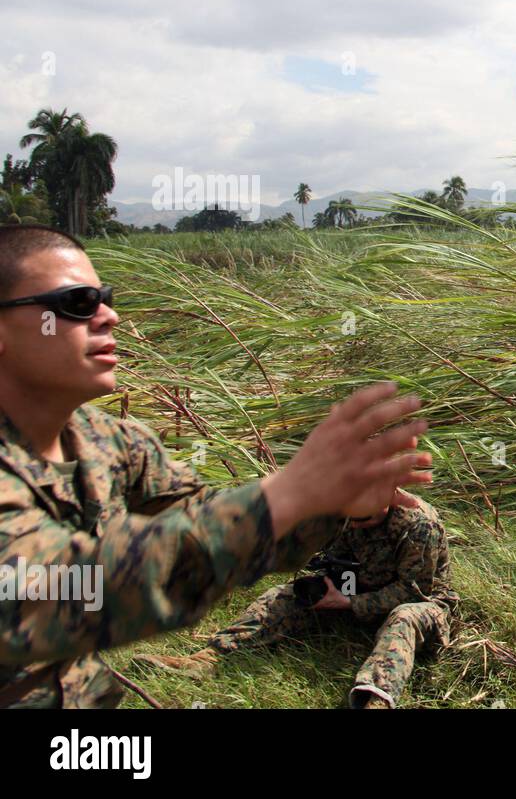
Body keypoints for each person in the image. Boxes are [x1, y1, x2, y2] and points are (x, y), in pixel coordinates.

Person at [0, 225, 431, 708]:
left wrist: (332, 503)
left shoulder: (113, 442)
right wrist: (285, 496)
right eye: (77, 303)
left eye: (106, 297)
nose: (110, 317)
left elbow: (209, 520)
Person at [136, 488, 457, 709]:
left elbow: (415, 591)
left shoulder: (418, 525)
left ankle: (376, 696)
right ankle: (210, 658)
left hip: (422, 606)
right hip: (353, 589)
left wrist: (348, 603)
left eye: (366, 518)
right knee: (287, 595)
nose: (356, 525)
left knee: (403, 616)